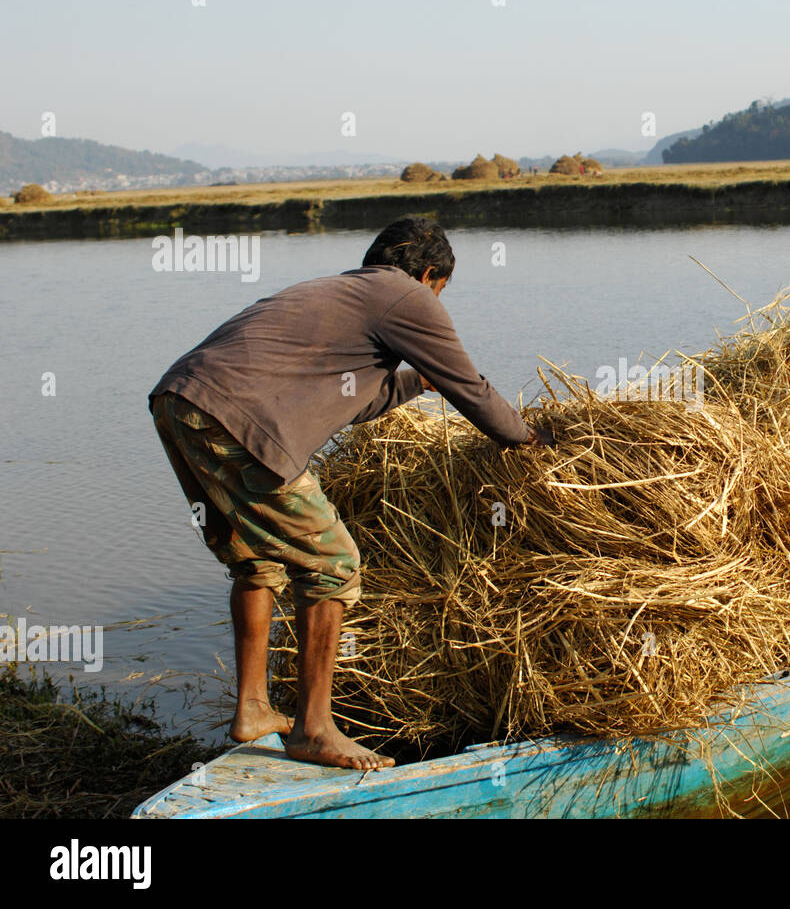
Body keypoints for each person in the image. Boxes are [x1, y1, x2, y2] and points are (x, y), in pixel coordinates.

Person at [149, 216, 553, 770]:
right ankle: (314, 729)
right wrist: (528, 437)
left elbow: (351, 401)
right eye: (440, 291)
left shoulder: (340, 292)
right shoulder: (407, 297)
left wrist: (415, 380)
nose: (437, 301)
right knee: (334, 562)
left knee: (257, 559)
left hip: (181, 401)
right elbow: (473, 389)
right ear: (430, 275)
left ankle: (253, 710)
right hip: (235, 420)